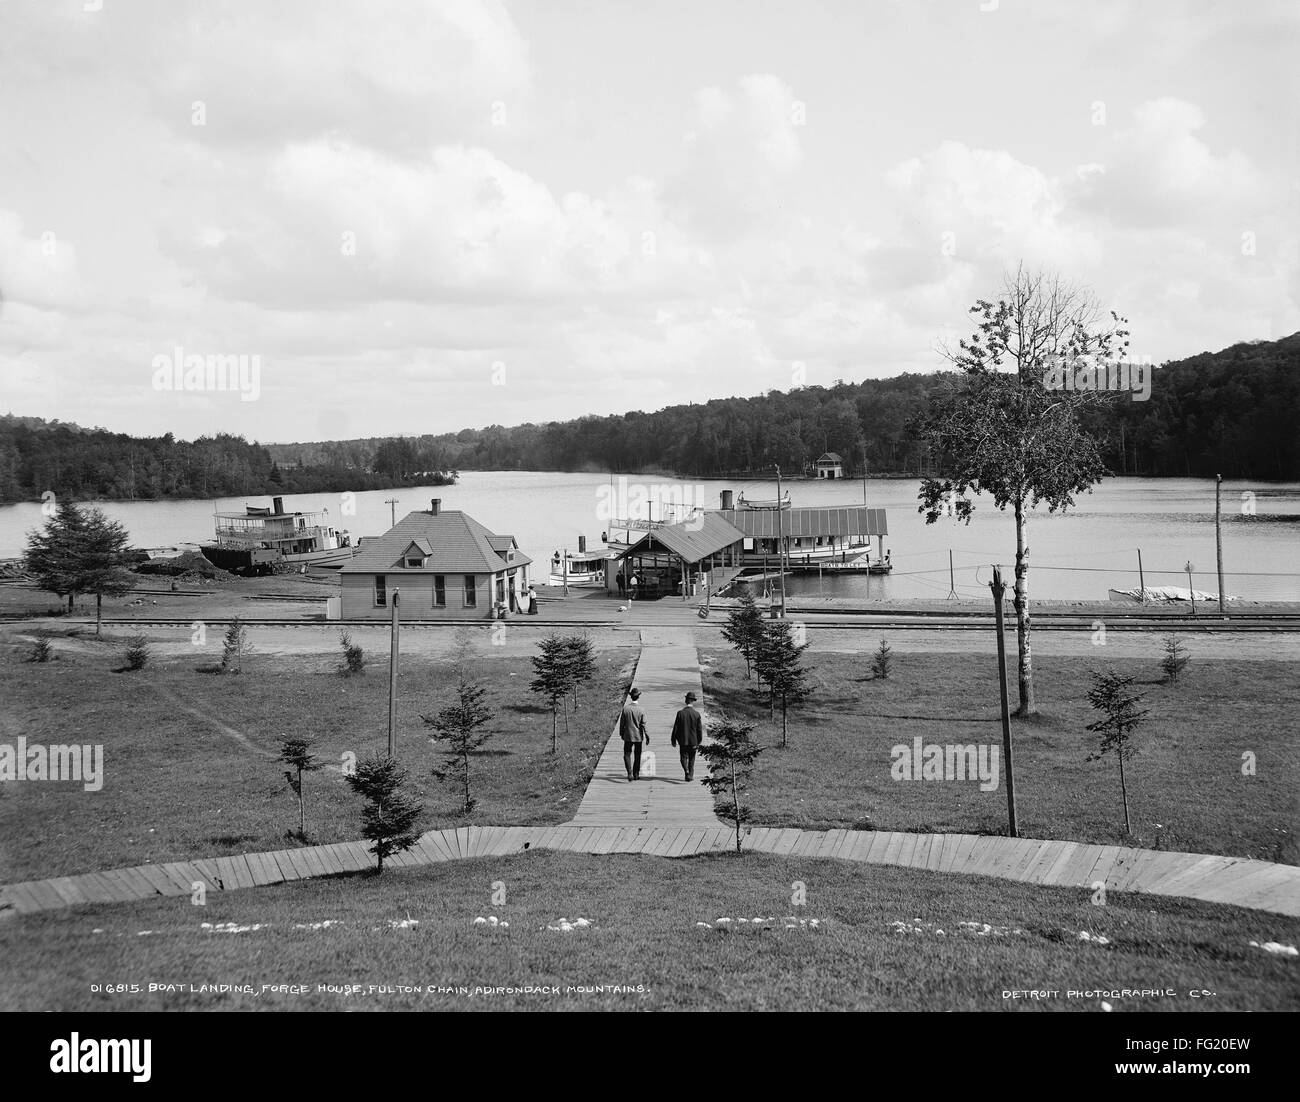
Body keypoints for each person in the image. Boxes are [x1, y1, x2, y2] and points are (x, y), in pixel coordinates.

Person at [670, 690, 705, 782]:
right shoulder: (696, 714)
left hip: (683, 740)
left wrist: (673, 739)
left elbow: (676, 728)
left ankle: (686, 771)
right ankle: (690, 775)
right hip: (693, 740)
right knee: (692, 758)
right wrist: (699, 741)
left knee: (683, 757)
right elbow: (699, 730)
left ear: (686, 700)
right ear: (693, 701)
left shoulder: (680, 713)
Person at [619, 687, 649, 781]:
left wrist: (621, 733)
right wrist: (647, 735)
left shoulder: (626, 709)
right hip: (638, 736)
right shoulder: (641, 710)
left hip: (628, 735)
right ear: (638, 697)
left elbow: (622, 723)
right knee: (637, 755)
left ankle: (629, 772)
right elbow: (643, 724)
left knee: (627, 754)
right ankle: (636, 774)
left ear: (631, 697)